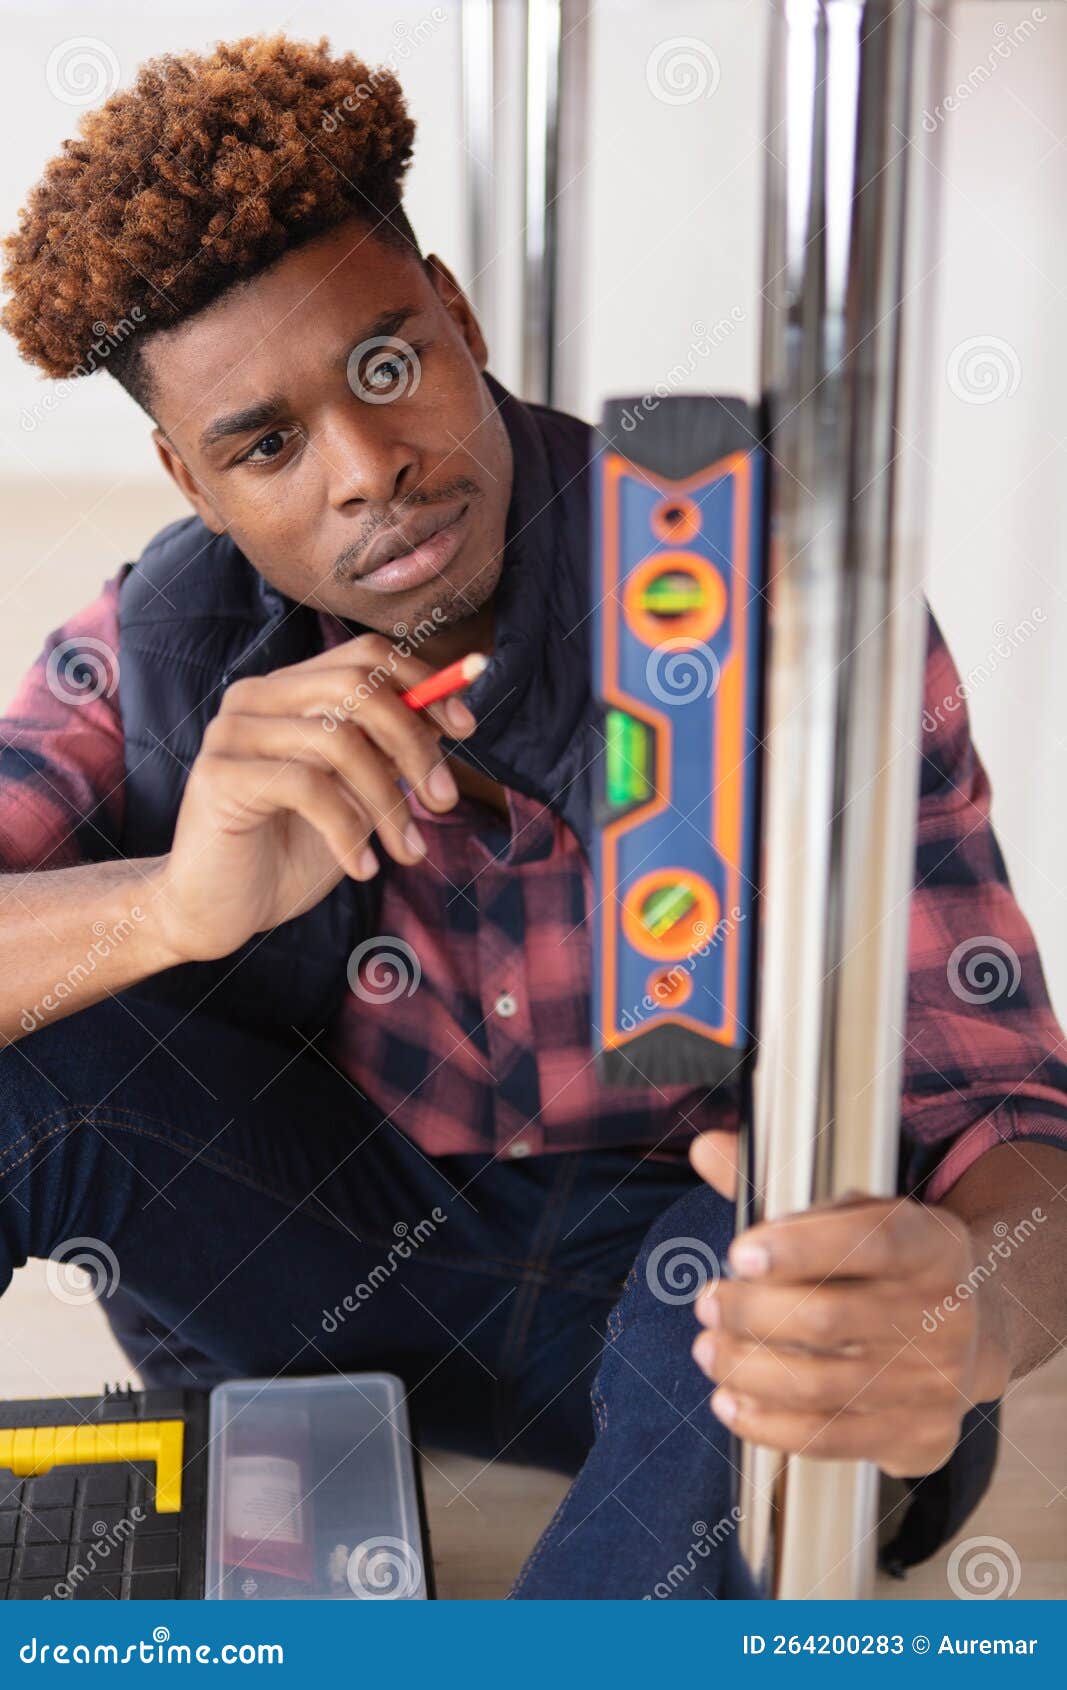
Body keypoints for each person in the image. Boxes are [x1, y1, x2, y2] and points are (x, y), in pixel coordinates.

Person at [0, 35, 1063, 1600]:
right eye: (268, 445)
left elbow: (1022, 1131)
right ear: (190, 477)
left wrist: (962, 1320)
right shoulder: (170, 633)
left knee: (753, 1263)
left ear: (459, 316)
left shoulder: (767, 597)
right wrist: (170, 904)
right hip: (320, 1261)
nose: (373, 472)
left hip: (677, 1296)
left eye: (388, 366)